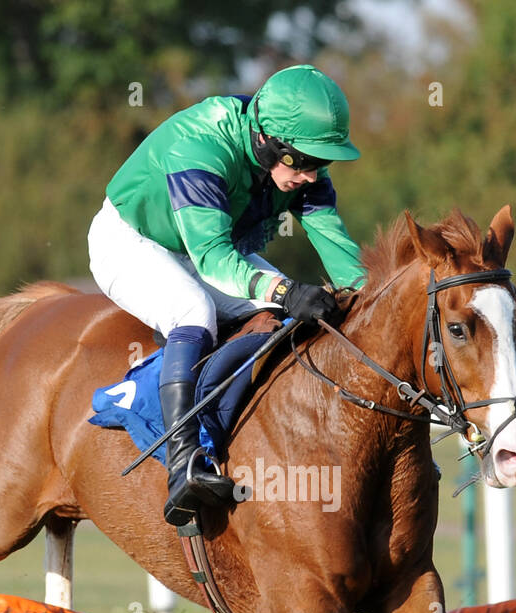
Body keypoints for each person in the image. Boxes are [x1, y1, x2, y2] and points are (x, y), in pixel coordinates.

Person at [88, 63, 367, 525]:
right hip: (131, 241)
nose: (315, 175)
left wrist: (372, 303)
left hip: (205, 247)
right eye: (305, 160)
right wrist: (286, 287)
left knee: (286, 314)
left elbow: (343, 258)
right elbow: (214, 260)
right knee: (192, 309)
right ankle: (184, 462)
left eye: (324, 162)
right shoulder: (201, 144)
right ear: (266, 141)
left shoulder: (300, 171)